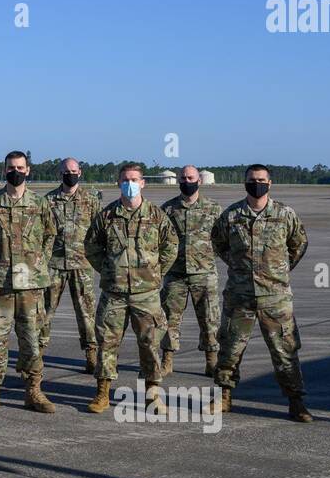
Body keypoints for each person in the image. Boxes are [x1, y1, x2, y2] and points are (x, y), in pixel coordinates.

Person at [212, 165, 312, 422]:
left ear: (270, 183)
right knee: (230, 348)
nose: (256, 184)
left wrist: (278, 270)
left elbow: (298, 244)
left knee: (285, 350)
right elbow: (219, 244)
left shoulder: (284, 214)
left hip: (275, 296)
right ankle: (224, 395)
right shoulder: (231, 215)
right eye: (251, 180)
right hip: (239, 295)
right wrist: (238, 267)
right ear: (244, 183)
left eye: (260, 180)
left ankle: (296, 401)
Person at [84, 164, 178, 415]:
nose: (130, 183)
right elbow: (91, 247)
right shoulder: (106, 217)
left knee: (150, 344)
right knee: (107, 343)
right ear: (118, 183)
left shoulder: (157, 216)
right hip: (114, 294)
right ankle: (102, 394)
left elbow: (170, 248)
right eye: (125, 179)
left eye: (134, 179)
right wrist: (108, 271)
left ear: (143, 183)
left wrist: (154, 274)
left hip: (146, 295)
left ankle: (152, 395)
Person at [0, 151, 57, 414]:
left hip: (31, 284)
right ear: (4, 170)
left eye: (19, 167)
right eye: (10, 167)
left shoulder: (40, 204)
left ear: (28, 170)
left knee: (31, 339)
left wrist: (38, 264)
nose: (15, 171)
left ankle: (33, 390)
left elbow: (51, 236)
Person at [40, 158, 102, 376]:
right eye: (66, 171)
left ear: (80, 172)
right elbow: (42, 233)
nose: (70, 174)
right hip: (53, 264)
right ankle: (37, 353)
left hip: (82, 264)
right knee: (44, 311)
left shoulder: (91, 200)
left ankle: (91, 353)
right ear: (60, 173)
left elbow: (99, 232)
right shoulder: (48, 200)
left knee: (86, 312)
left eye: (73, 171)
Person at [159, 165, 222, 376]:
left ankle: (211, 360)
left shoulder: (214, 209)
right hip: (175, 274)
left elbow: (224, 241)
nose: (187, 181)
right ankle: (167, 359)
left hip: (204, 274)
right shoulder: (167, 209)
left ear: (199, 181)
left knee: (209, 319)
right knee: (169, 319)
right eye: (183, 178)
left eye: (191, 178)